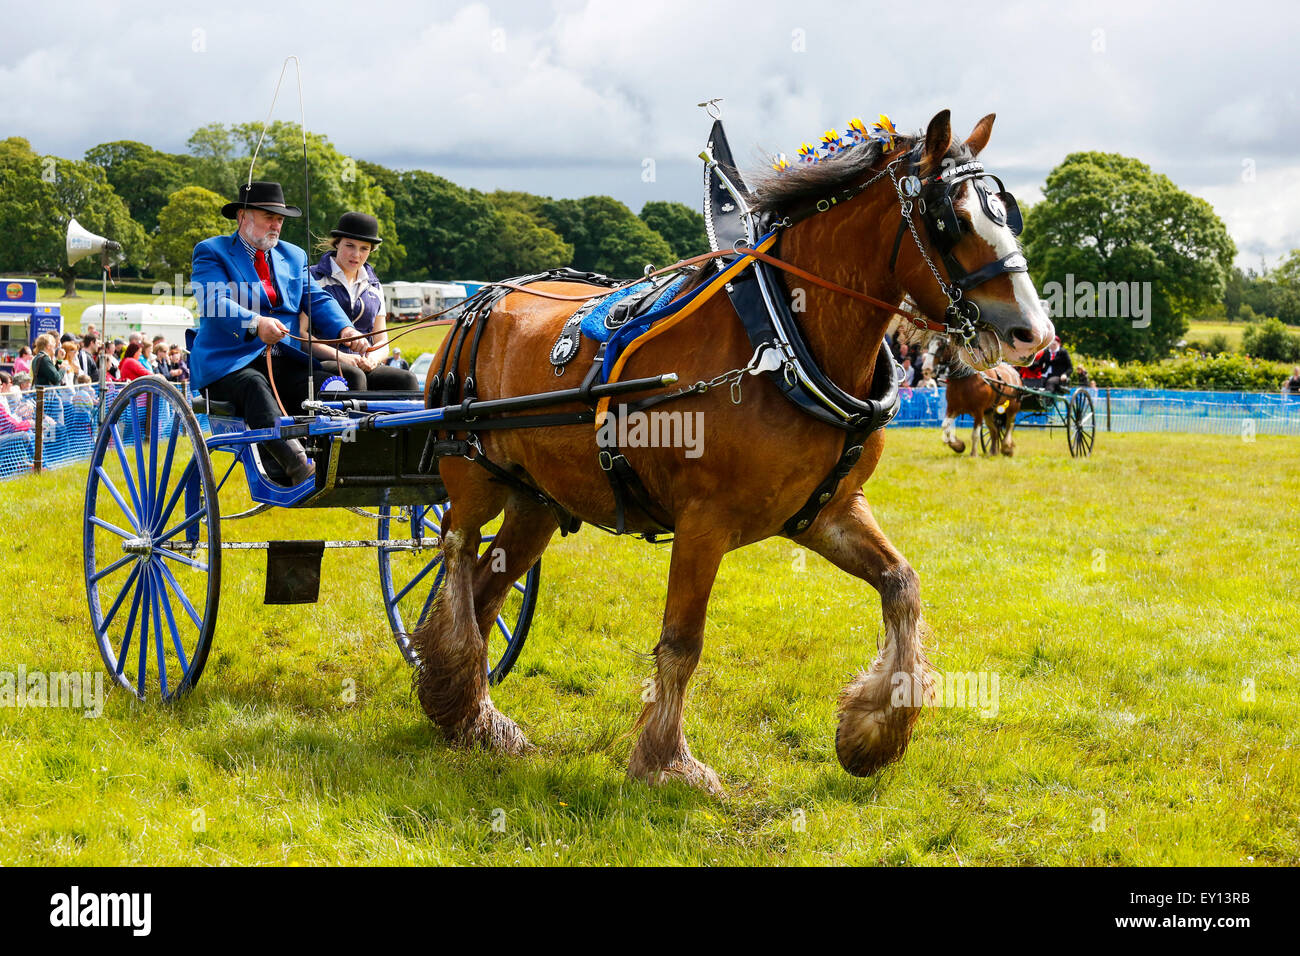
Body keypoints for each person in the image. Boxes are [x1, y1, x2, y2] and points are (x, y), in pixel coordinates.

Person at [189, 180, 367, 484]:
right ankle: (297, 465)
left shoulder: (293, 256)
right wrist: (256, 323)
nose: (276, 225)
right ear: (243, 217)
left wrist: (346, 328)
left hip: (285, 359)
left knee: (346, 379)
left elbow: (317, 298)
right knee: (255, 385)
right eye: (269, 217)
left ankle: (344, 457)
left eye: (280, 219)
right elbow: (214, 301)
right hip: (231, 363)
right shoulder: (212, 252)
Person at [306, 212, 418, 391]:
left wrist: (373, 359)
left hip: (363, 363)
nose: (356, 255)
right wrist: (340, 357)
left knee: (407, 379)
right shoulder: (313, 278)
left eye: (364, 248)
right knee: (355, 376)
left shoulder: (375, 286)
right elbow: (302, 336)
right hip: (323, 361)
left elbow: (381, 339)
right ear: (337, 243)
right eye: (350, 245)